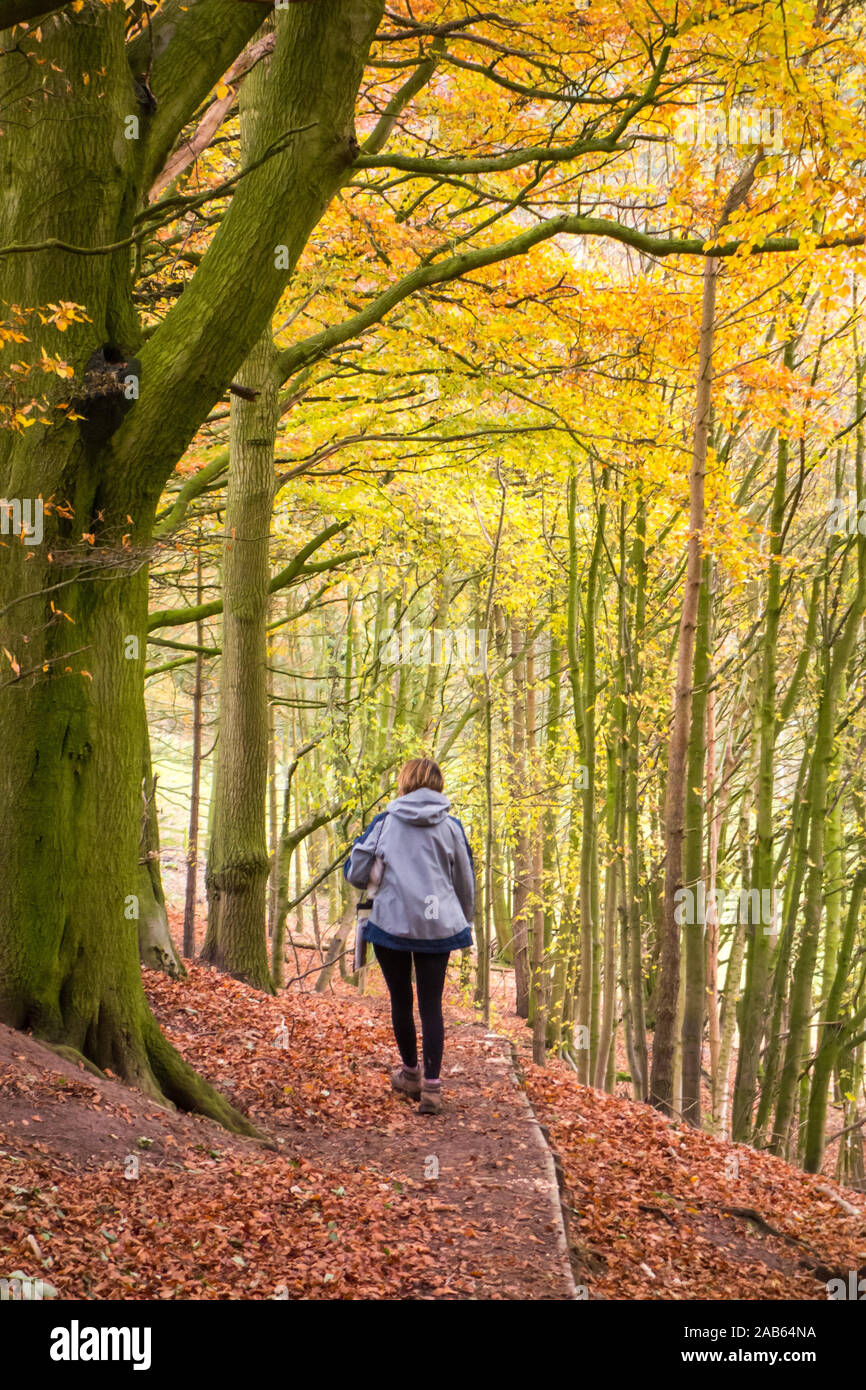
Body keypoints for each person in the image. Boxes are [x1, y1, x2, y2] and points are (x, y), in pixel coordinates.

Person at [344, 757, 474, 1115]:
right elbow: (465, 881)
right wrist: (466, 922)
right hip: (439, 928)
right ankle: (432, 1089)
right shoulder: (451, 827)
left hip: (392, 925)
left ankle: (410, 1073)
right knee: (431, 1004)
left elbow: (356, 874)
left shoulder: (385, 824)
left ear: (404, 782)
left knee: (401, 1000)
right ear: (437, 785)